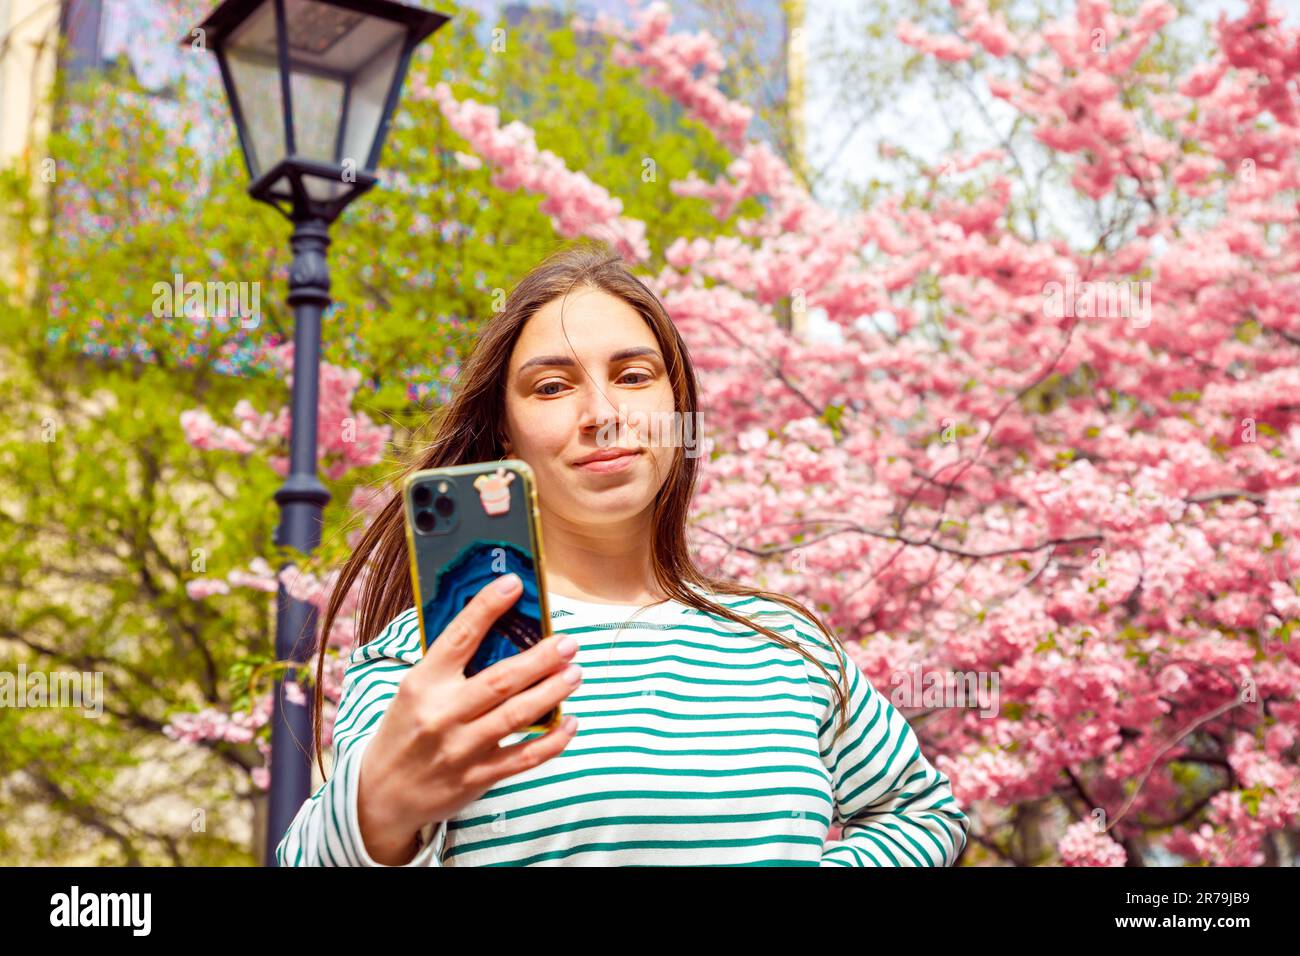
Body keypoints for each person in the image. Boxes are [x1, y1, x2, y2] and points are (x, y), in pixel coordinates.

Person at [276, 241, 970, 866]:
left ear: (677, 407)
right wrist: (378, 813)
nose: (603, 412)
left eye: (635, 376)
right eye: (552, 387)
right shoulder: (429, 658)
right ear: (507, 435)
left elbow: (923, 814)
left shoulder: (789, 647)